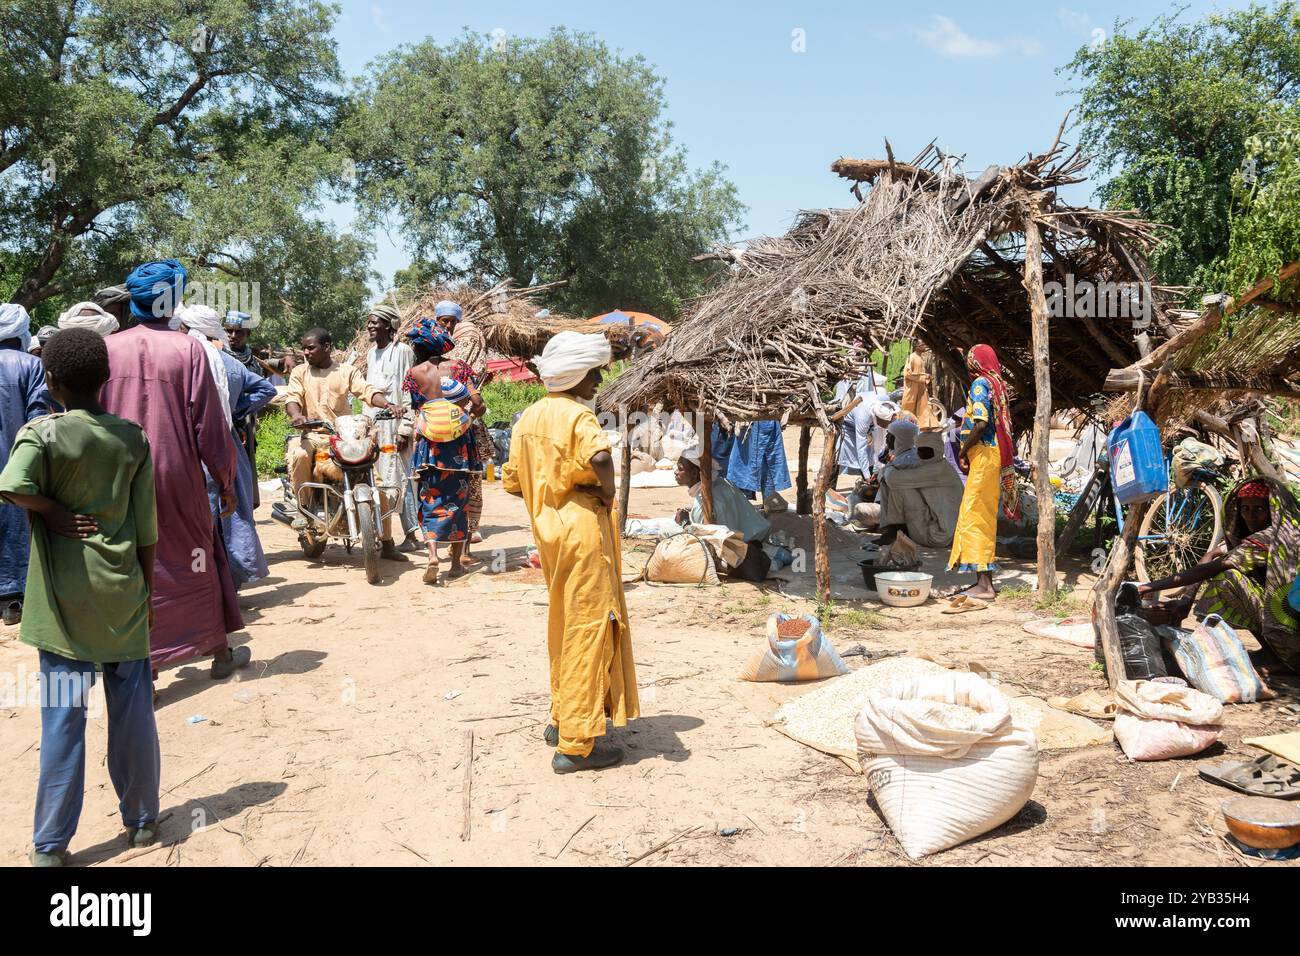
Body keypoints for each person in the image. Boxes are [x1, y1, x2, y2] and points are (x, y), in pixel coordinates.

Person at [0, 328, 160, 866]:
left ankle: (50, 847)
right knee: (133, 715)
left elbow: (12, 485)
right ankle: (141, 824)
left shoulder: (41, 435)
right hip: (123, 597)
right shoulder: (132, 437)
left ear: (51, 380)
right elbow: (146, 533)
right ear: (106, 379)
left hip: (64, 611)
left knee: (63, 722)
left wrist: (52, 512)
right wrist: (147, 596)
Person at [99, 259, 247, 679]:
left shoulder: (108, 349)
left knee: (137, 567)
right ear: (172, 300)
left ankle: (148, 666)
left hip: (120, 480)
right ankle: (218, 652)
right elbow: (210, 425)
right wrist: (225, 480)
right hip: (178, 477)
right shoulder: (190, 350)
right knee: (198, 556)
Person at [502, 330, 638, 773]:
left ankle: (562, 718)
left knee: (564, 623)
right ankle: (577, 744)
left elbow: (511, 480)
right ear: (576, 374)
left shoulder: (528, 417)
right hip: (582, 533)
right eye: (594, 372)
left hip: (549, 534)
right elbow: (600, 459)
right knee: (589, 628)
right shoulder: (580, 418)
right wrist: (608, 491)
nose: (598, 379)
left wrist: (548, 489)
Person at [1138, 477, 1300, 671]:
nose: (1251, 516)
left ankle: (1284, 657)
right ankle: (1272, 652)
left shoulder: (1272, 537)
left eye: (1259, 509)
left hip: (1292, 627)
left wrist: (1150, 586)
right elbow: (1212, 554)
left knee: (1228, 578)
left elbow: (1216, 566)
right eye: (1245, 509)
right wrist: (1187, 598)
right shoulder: (1258, 535)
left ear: (1273, 511)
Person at [283, 326, 406, 561]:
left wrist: (388, 405)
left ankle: (388, 541)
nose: (306, 352)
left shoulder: (347, 370)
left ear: (327, 347)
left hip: (344, 436)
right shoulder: (300, 371)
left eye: (311, 347)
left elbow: (366, 391)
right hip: (314, 435)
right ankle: (304, 511)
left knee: (377, 482)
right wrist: (297, 416)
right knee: (298, 455)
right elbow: (293, 397)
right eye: (304, 348)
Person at [177, 305, 276, 587]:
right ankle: (233, 577)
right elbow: (266, 389)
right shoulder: (231, 364)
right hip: (228, 441)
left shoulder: (183, 362)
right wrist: (234, 412)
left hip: (191, 444)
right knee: (233, 512)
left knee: (199, 512)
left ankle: (201, 578)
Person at [402, 318, 483, 584]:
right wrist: (467, 418)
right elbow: (478, 402)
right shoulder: (459, 368)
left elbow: (416, 407)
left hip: (429, 445)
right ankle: (456, 565)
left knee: (429, 497)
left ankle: (433, 556)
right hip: (459, 444)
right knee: (458, 501)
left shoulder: (414, 373)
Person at [947, 344, 1016, 601]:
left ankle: (984, 585)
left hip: (984, 454)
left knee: (974, 516)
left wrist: (963, 451)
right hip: (994, 455)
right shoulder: (998, 384)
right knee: (984, 516)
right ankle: (985, 581)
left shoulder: (980, 385)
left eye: (969, 362)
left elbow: (981, 423)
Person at [1, 304, 50, 626]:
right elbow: (39, 421)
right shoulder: (33, 366)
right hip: (20, 468)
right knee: (20, 525)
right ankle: (16, 598)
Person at [364, 303, 420, 552]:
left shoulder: (403, 352)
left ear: (388, 325)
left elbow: (408, 391)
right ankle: (380, 534)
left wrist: (405, 428)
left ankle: (411, 535)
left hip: (396, 425)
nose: (370, 327)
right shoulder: (370, 354)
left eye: (374, 322)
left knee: (402, 480)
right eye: (369, 322)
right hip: (374, 427)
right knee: (378, 481)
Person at [439, 299, 493, 552]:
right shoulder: (429, 358)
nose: (449, 326)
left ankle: (466, 540)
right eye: (444, 321)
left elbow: (476, 399)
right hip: (440, 429)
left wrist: (471, 409)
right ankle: (448, 537)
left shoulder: (467, 344)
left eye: (453, 322)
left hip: (465, 427)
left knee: (469, 481)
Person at [673, 446, 772, 582]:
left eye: (680, 468)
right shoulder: (723, 483)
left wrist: (684, 521)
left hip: (744, 549)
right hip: (760, 534)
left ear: (695, 473)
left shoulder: (702, 504)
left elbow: (703, 540)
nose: (675, 472)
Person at [872, 431, 966, 548]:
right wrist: (887, 471)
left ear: (937, 450)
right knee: (897, 483)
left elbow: (893, 479)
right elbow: (891, 475)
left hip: (938, 535)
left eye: (927, 450)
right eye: (920, 449)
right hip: (934, 526)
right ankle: (893, 529)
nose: (922, 453)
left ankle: (894, 530)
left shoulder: (938, 470)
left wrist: (887, 469)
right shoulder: (932, 465)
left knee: (899, 487)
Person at [833, 371, 890, 478]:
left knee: (871, 451)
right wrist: (867, 476)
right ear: (875, 418)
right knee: (839, 455)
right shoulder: (863, 417)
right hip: (847, 424)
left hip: (867, 426)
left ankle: (869, 475)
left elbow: (882, 441)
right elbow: (861, 448)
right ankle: (830, 485)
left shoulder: (884, 404)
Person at [726, 419, 792, 501]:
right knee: (764, 465)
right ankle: (766, 503)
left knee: (765, 465)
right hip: (755, 423)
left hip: (761, 423)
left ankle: (767, 504)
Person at [900, 342, 941, 430]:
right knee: (908, 409)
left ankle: (924, 427)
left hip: (921, 389)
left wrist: (926, 378)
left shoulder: (921, 358)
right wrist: (924, 377)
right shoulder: (911, 357)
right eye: (923, 345)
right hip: (912, 389)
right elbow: (907, 374)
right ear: (917, 347)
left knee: (924, 407)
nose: (925, 346)